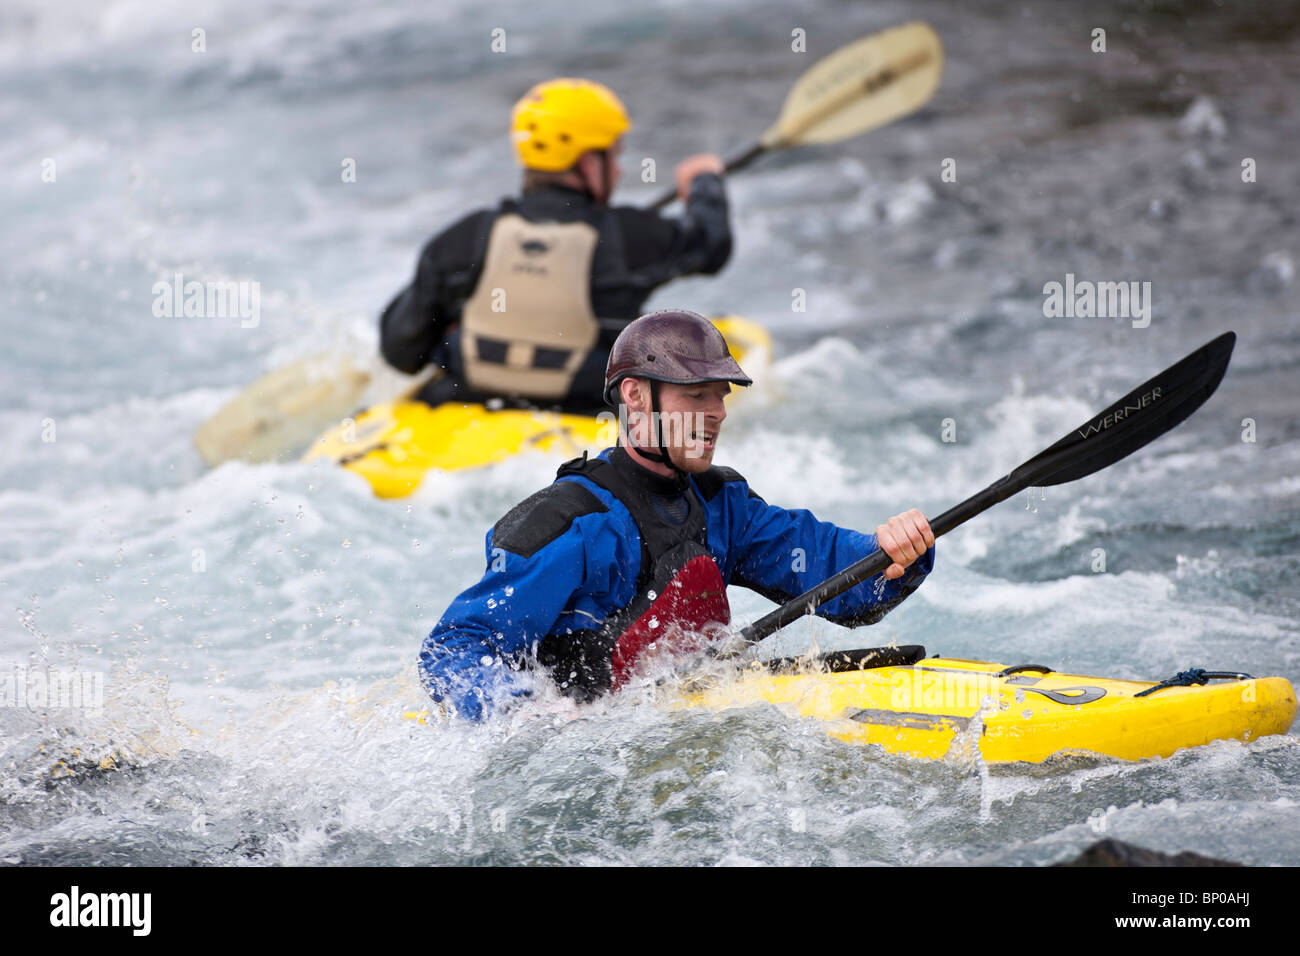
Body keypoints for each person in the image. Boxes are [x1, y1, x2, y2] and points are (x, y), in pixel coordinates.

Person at [418, 309, 936, 720]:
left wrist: (892, 554)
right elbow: (453, 649)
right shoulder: (566, 524)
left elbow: (827, 569)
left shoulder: (722, 504)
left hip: (682, 723)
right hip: (583, 756)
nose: (717, 413)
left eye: (720, 396)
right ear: (635, 395)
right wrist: (522, 709)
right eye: (696, 395)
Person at [379, 78, 733, 413]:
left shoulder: (463, 238)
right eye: (613, 155)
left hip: (466, 409)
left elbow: (400, 352)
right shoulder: (631, 236)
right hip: (587, 415)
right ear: (587, 162)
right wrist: (703, 182)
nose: (620, 170)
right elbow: (711, 245)